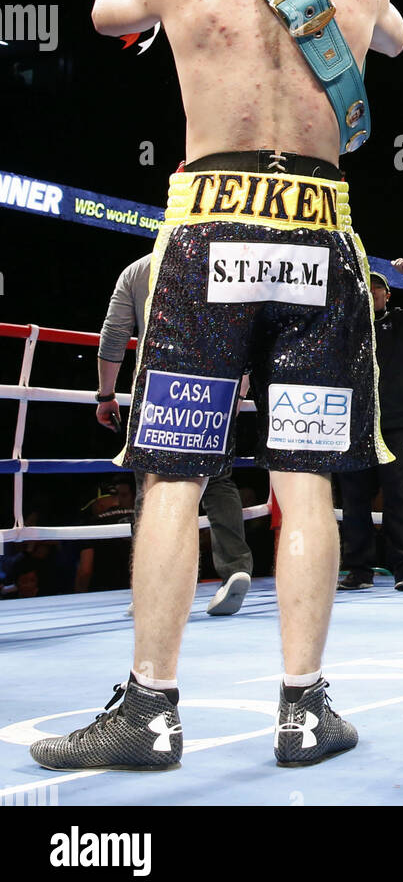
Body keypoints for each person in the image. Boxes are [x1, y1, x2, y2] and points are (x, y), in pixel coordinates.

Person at [30, 0, 403, 773]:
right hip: (317, 237)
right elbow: (395, 39)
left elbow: (105, 11)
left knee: (172, 473)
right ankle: (304, 709)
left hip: (208, 237)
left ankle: (150, 708)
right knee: (305, 478)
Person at [96, 252, 254, 615]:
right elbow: (245, 334)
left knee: (152, 488)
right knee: (216, 480)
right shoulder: (223, 261)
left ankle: (150, 586)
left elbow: (114, 334)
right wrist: (239, 391)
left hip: (158, 389)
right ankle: (236, 569)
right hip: (215, 389)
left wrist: (106, 395)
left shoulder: (136, 270)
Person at [337, 258, 403, 592]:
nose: (372, 292)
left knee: (397, 494)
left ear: (387, 295)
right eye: (366, 288)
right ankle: (358, 569)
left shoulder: (399, 322)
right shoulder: (347, 326)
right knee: (353, 498)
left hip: (393, 422)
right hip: (353, 422)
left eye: (378, 287)